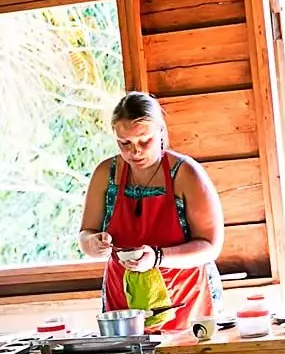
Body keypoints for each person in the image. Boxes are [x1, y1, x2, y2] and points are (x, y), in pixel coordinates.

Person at [77, 91, 224, 332]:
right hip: (124, 302)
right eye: (124, 143)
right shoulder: (105, 173)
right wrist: (92, 243)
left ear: (161, 132)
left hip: (186, 299)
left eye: (144, 140)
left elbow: (210, 247)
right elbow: (85, 234)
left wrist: (157, 257)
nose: (135, 151)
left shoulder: (187, 174)